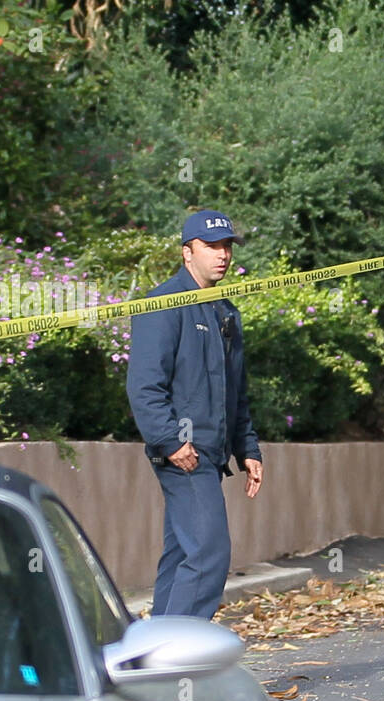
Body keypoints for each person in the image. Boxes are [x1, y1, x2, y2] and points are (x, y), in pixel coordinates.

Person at [127, 209, 263, 620]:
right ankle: (176, 661)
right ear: (188, 252)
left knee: (183, 554)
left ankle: (151, 662)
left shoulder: (224, 310)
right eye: (212, 246)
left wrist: (247, 448)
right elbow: (144, 384)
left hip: (210, 451)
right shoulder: (165, 302)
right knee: (208, 554)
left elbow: (234, 391)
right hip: (183, 453)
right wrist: (170, 441)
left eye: (227, 246)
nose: (222, 255)